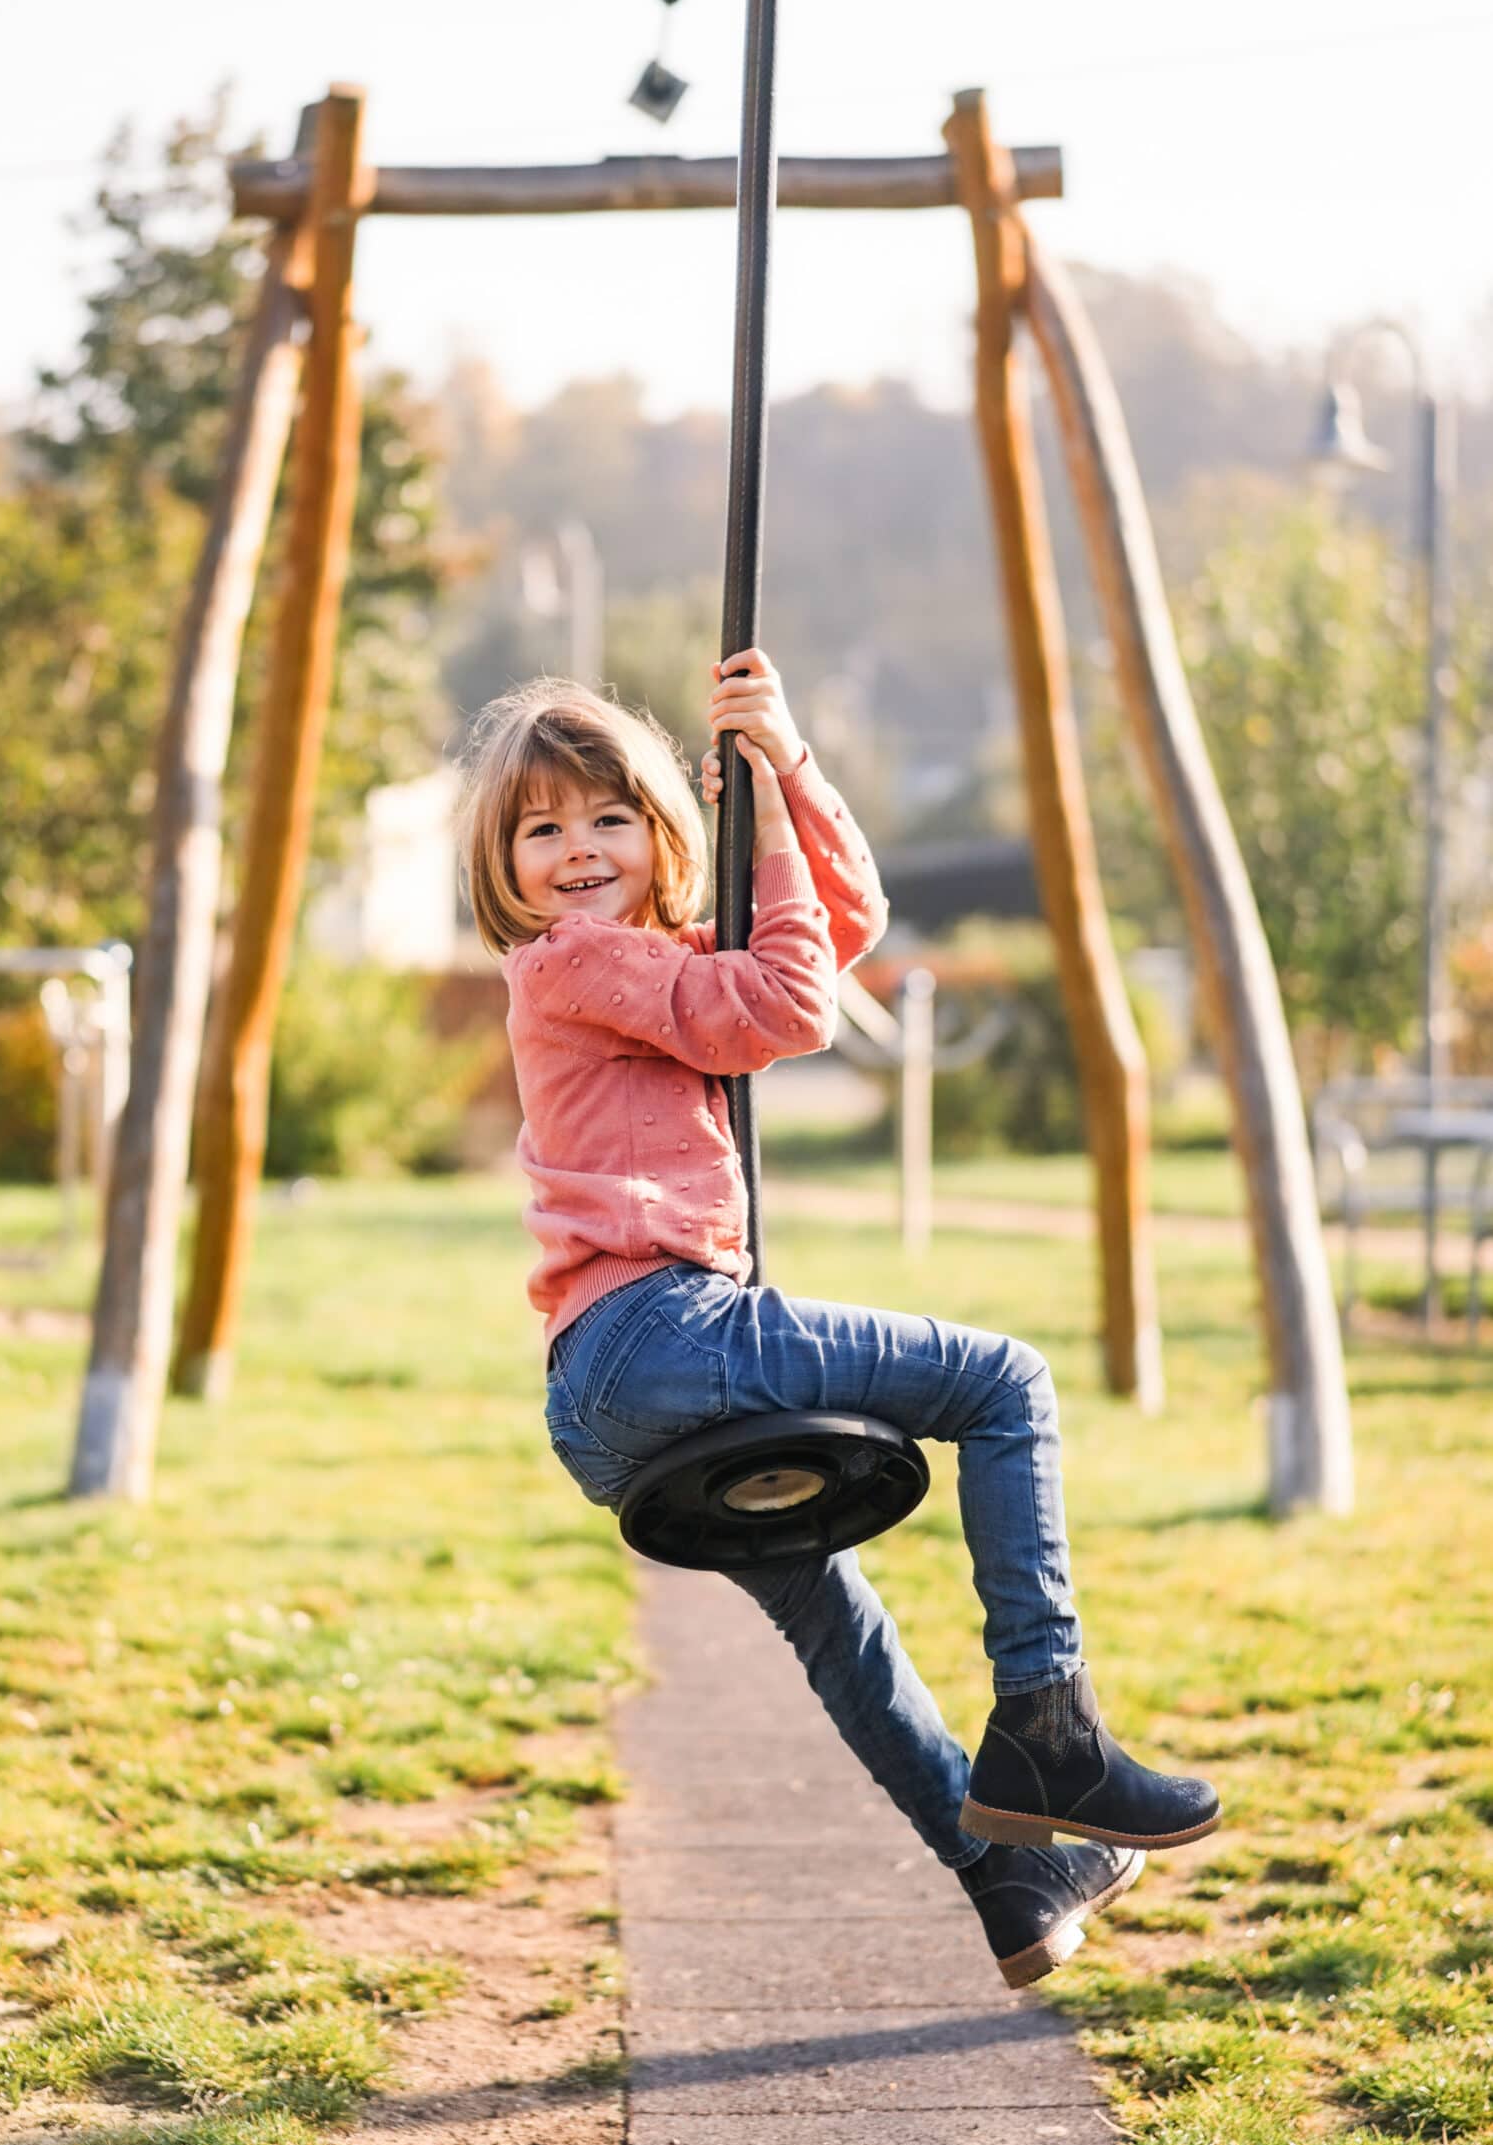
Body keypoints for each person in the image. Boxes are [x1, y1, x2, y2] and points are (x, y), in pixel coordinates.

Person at [459, 651, 1220, 1989]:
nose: (577, 850)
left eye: (606, 818)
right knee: (1006, 1384)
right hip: (661, 1328)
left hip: (609, 1375)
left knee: (836, 1620)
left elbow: (842, 923)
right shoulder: (573, 962)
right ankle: (1049, 1724)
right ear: (504, 863)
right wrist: (760, 838)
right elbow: (794, 1005)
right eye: (541, 828)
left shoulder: (644, 963)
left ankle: (1008, 1883)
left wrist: (782, 769)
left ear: (658, 827)